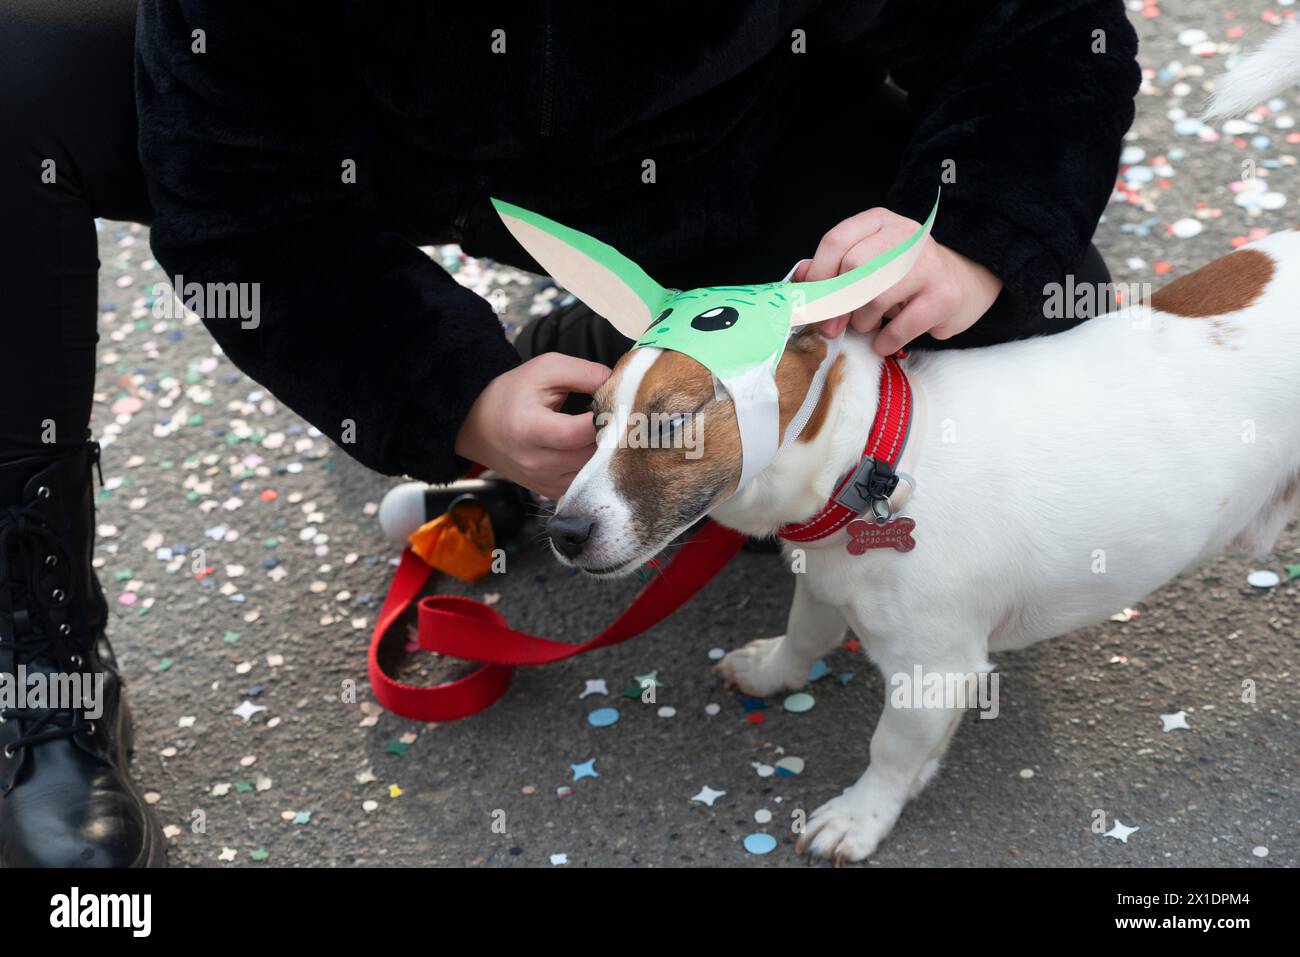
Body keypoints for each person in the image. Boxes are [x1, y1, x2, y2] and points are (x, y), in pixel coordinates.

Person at [0, 0, 1139, 866]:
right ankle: (32, 651)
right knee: (16, 78)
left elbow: (1034, 22)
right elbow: (241, 202)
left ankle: (624, 346)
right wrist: (446, 392)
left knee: (1009, 316)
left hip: (728, 141)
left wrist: (974, 221)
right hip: (407, 143)